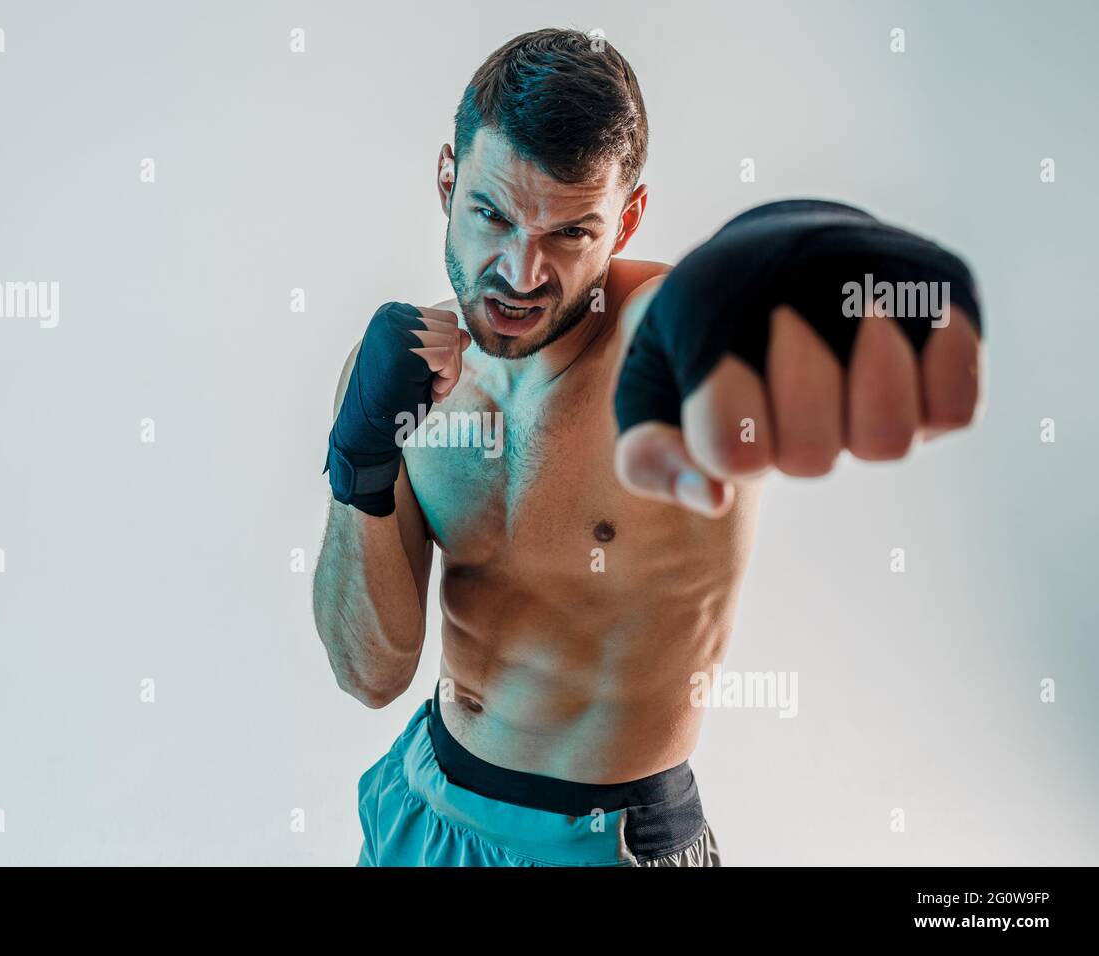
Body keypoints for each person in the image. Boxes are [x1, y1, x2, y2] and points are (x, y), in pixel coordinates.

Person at [313, 28, 983, 867]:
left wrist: (819, 258)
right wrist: (361, 460)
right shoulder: (400, 375)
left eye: (570, 234)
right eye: (492, 215)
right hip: (425, 811)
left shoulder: (662, 343)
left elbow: (753, 301)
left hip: (607, 846)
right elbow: (369, 674)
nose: (521, 272)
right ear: (447, 179)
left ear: (626, 220)